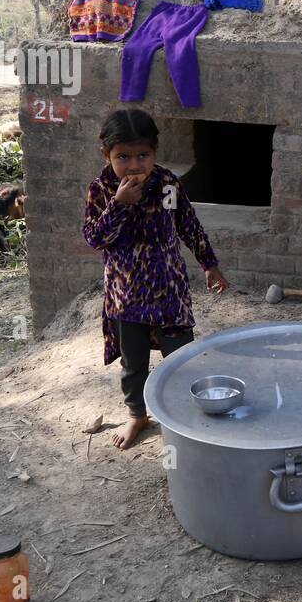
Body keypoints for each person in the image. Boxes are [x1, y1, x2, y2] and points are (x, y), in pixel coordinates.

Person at [83, 109, 229, 449]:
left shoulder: (166, 184)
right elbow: (94, 238)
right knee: (134, 364)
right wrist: (119, 205)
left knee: (181, 358)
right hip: (127, 294)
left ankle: (184, 415)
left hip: (169, 291)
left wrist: (209, 263)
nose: (134, 165)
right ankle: (138, 415)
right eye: (123, 157)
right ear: (107, 155)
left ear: (155, 152)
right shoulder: (102, 190)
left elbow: (187, 224)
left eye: (143, 155)